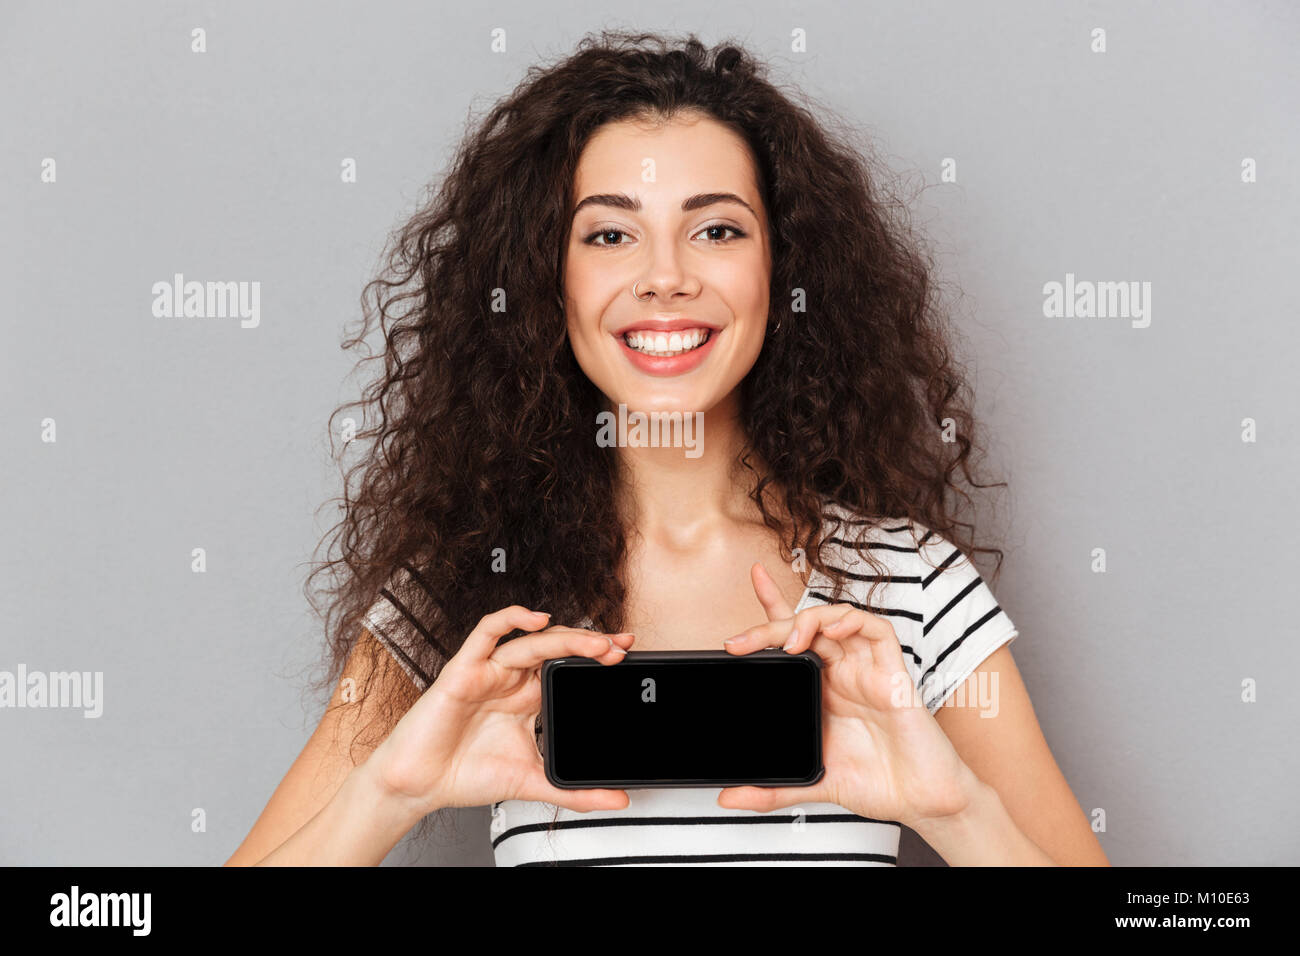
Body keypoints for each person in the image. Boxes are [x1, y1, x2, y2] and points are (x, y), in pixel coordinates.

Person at [225, 31, 1109, 867]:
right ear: (548, 281)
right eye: (610, 234)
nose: (665, 276)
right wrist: (390, 792)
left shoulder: (906, 583)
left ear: (782, 269)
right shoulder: (463, 592)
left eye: (717, 229)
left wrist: (951, 811)